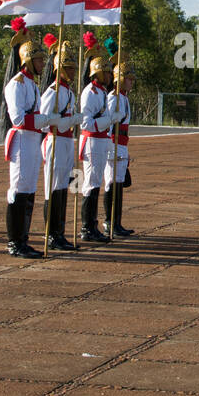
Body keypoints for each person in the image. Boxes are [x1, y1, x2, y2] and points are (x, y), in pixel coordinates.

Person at [3, 17, 49, 257]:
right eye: (39, 59)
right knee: (19, 189)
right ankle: (14, 242)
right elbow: (19, 119)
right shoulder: (17, 84)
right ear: (28, 61)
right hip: (22, 140)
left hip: (33, 141)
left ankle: (24, 238)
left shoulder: (32, 84)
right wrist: (46, 120)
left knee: (30, 189)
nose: (43, 63)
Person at [39, 33, 84, 251]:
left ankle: (60, 231)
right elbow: (46, 121)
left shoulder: (68, 91)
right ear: (59, 69)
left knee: (66, 186)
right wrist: (70, 120)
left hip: (67, 141)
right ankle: (51, 234)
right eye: (69, 67)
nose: (73, 71)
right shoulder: (53, 91)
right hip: (55, 140)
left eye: (74, 67)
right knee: (54, 187)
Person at [77, 32, 114, 243]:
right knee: (90, 184)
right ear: (98, 74)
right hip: (91, 140)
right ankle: (86, 227)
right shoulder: (90, 92)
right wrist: (107, 121)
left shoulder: (101, 92)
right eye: (107, 73)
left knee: (96, 183)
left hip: (100, 140)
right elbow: (86, 122)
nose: (110, 77)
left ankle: (92, 225)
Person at [103, 55, 135, 238]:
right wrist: (110, 146)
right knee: (111, 183)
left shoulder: (124, 98)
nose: (131, 82)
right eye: (129, 79)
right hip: (113, 143)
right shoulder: (113, 97)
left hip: (122, 144)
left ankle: (117, 222)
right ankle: (109, 222)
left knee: (119, 183)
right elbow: (108, 123)